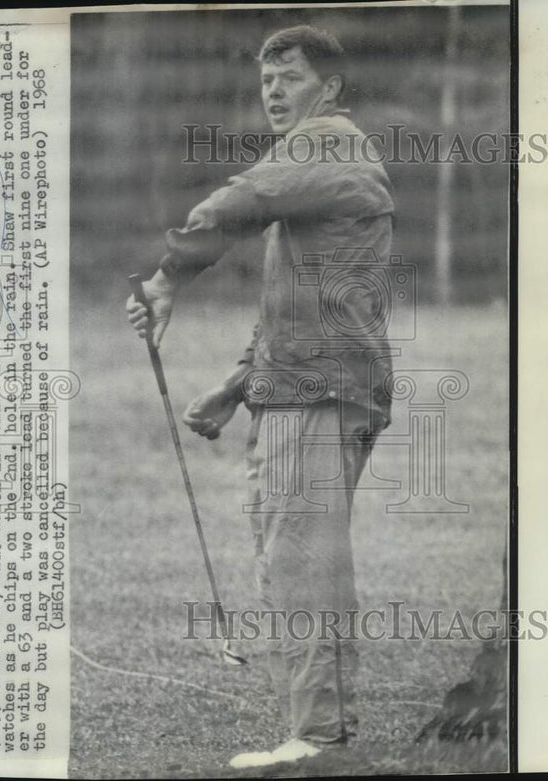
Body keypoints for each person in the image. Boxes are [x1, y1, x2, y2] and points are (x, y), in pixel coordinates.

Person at [126, 25, 395, 769]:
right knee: (300, 559)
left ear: (330, 88)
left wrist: (168, 275)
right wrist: (235, 385)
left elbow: (243, 199)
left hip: (318, 390)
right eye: (266, 77)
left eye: (290, 76)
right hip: (306, 383)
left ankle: (319, 738)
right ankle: (322, 731)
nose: (272, 90)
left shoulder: (326, 145)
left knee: (304, 561)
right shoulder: (325, 156)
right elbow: (306, 298)